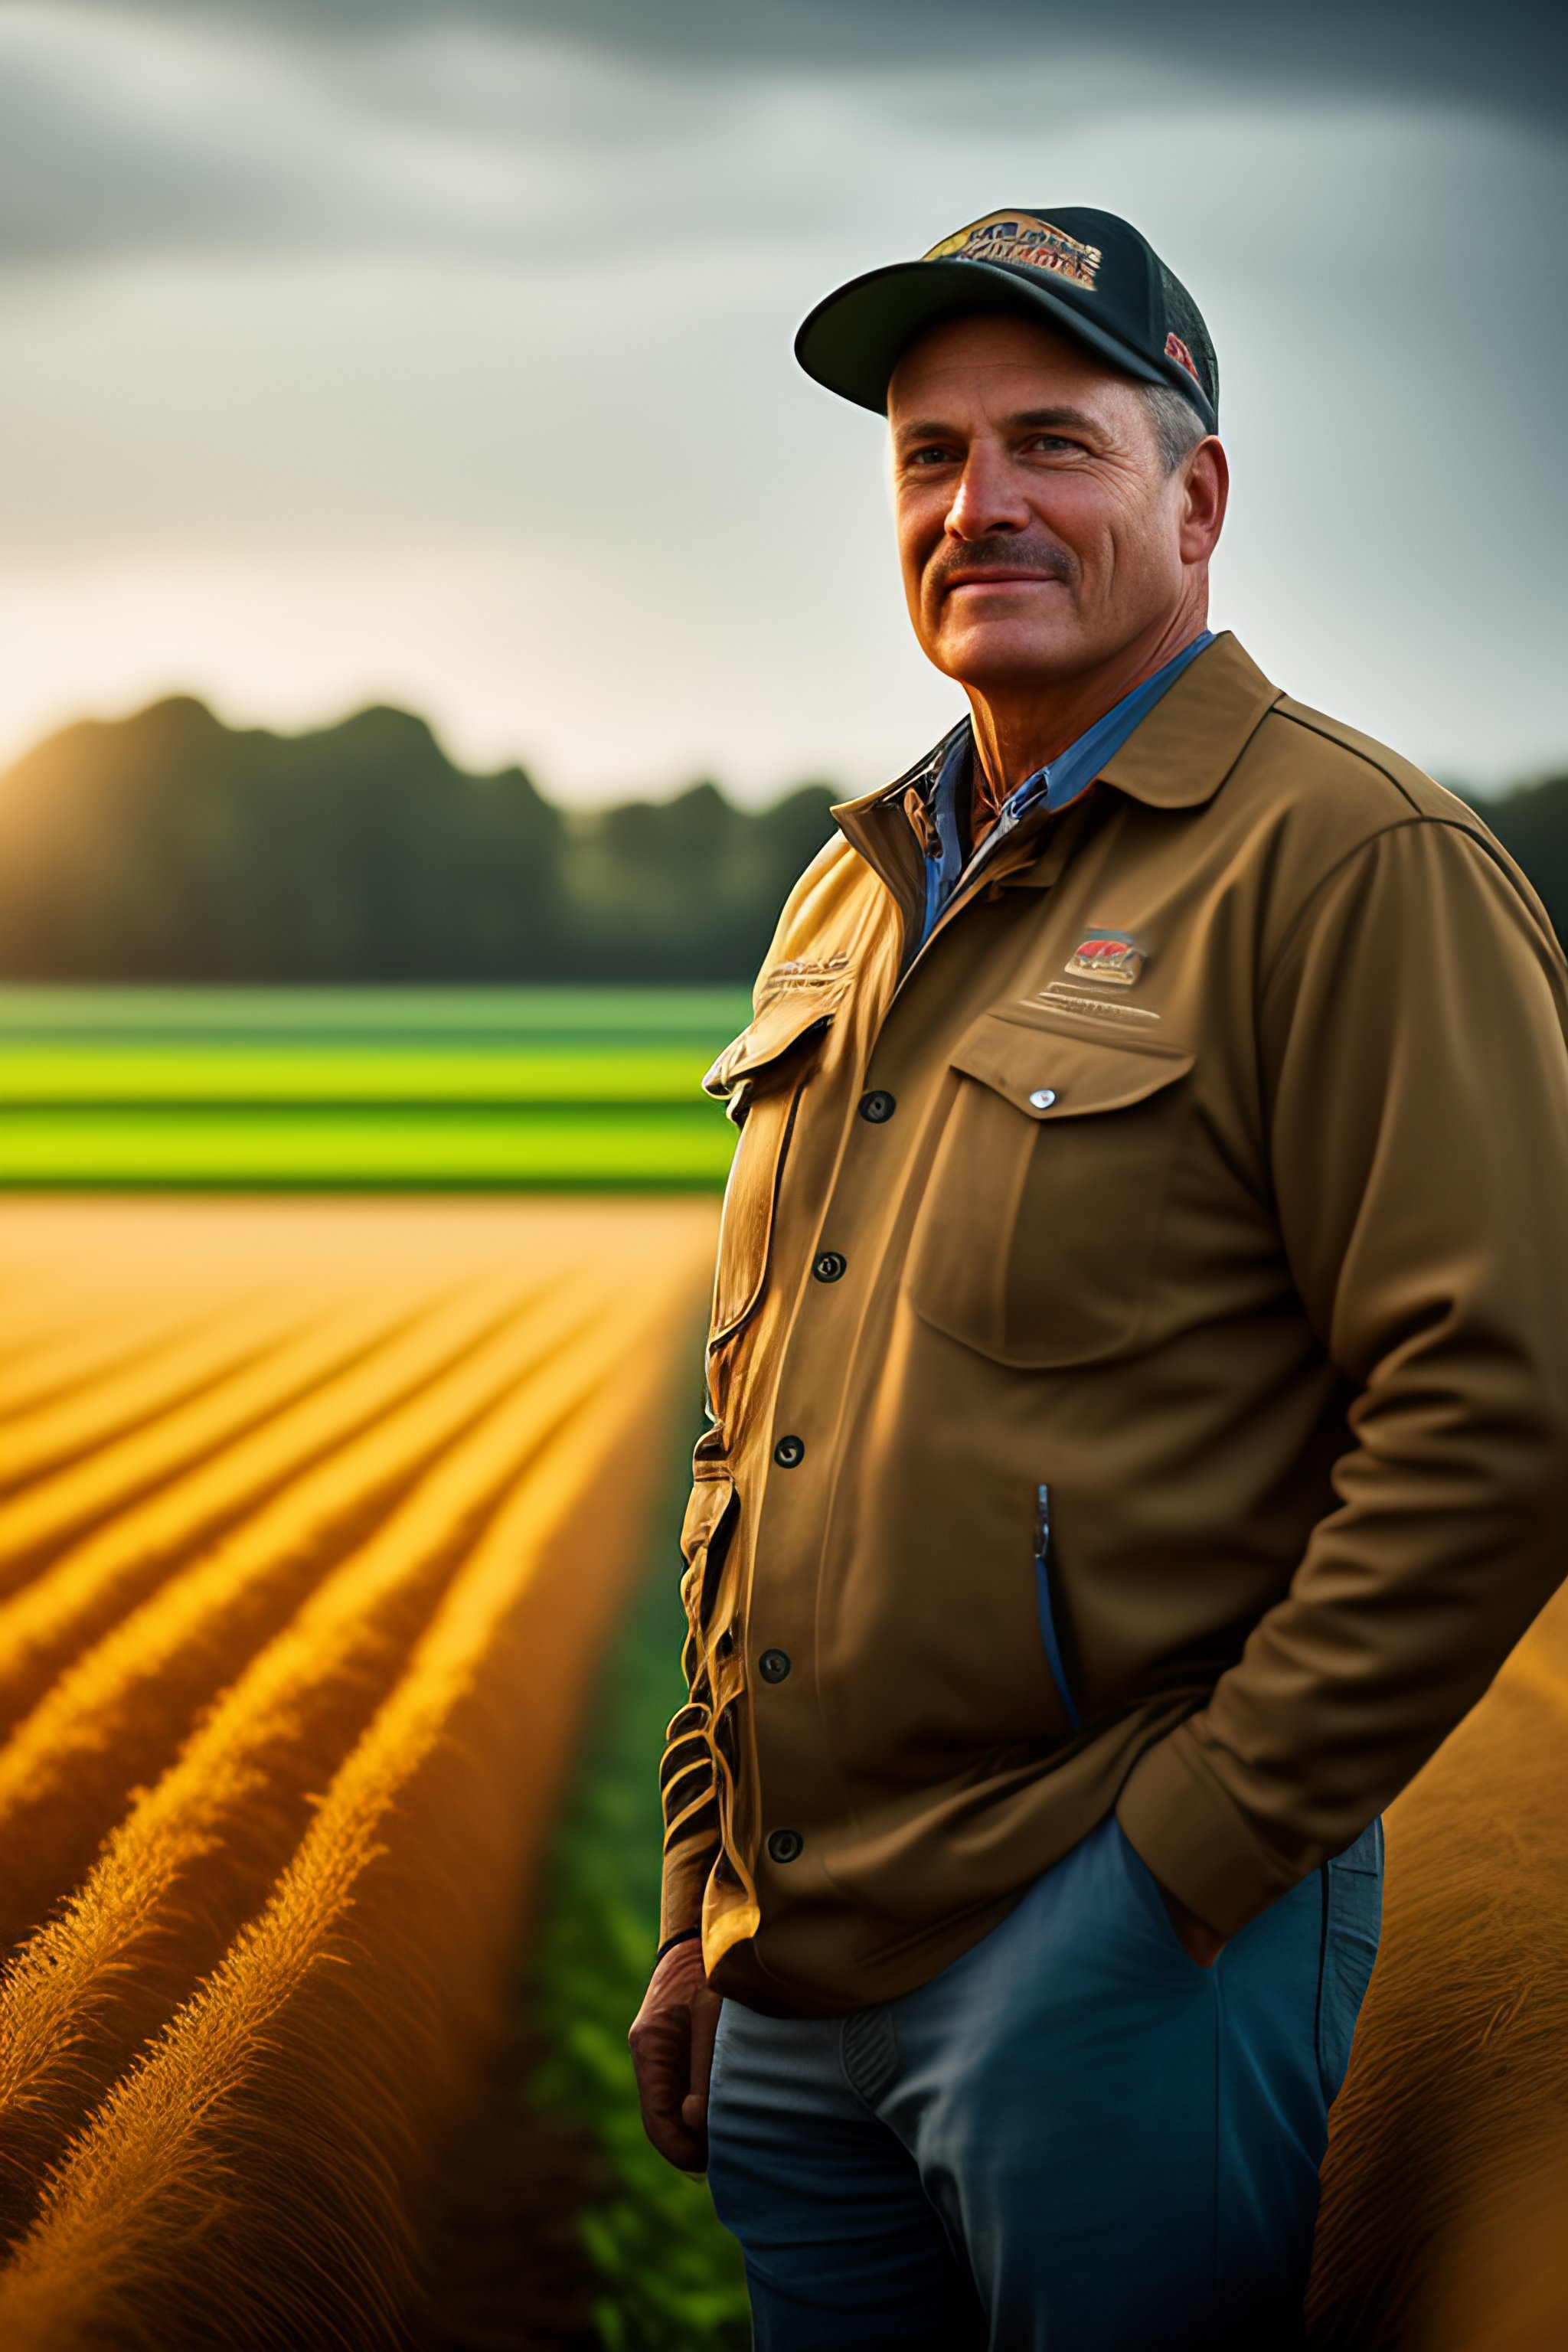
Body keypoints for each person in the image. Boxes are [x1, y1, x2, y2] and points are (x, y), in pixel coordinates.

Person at [627, 205, 1568, 2350]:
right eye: (929, 458)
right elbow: (749, 1414)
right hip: (793, 1970)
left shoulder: (1354, 868)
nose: (980, 507)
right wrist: (701, 1889)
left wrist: (1179, 1866)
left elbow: (1505, 1411)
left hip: (1115, 1953)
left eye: (1051, 443)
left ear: (1197, 494)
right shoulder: (851, 896)